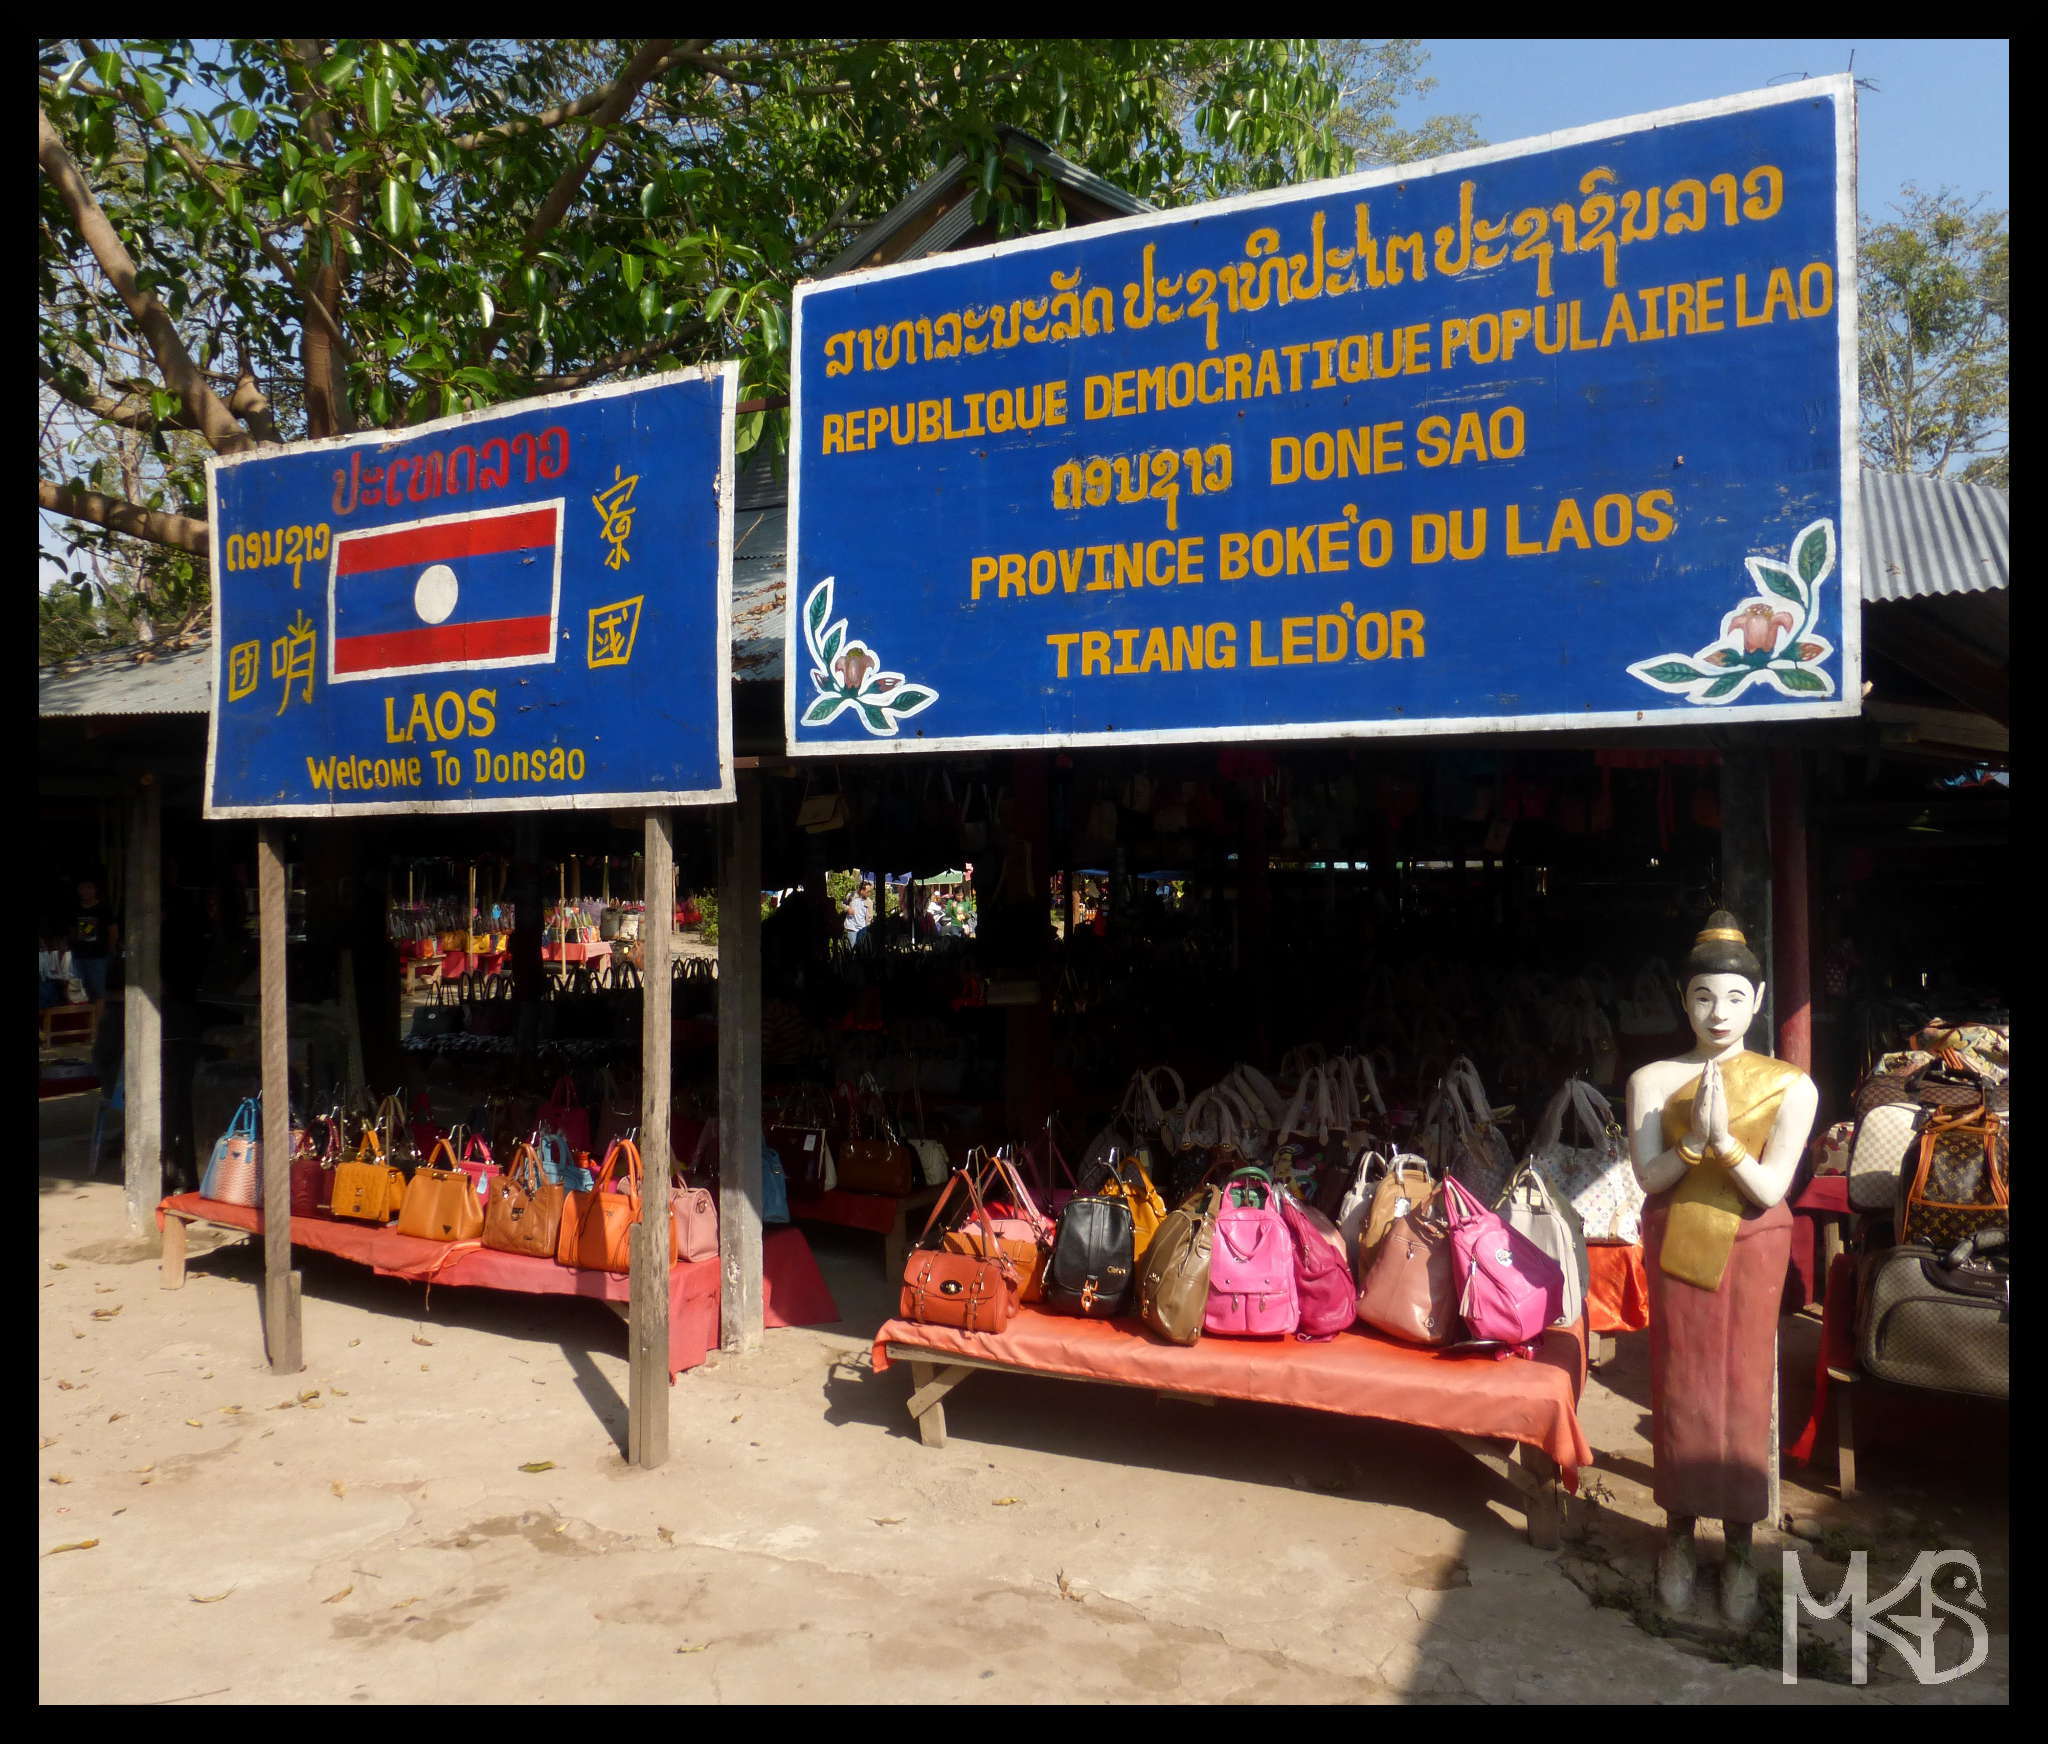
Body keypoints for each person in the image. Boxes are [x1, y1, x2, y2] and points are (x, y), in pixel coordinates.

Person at [1625, 911, 1817, 1627]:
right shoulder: (1652, 1079)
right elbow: (1649, 1177)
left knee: (1742, 1387)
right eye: (1705, 996)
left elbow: (1769, 1188)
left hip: (1752, 1237)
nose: (1719, 1013)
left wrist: (1724, 1146)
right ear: (1684, 999)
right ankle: (1677, 1533)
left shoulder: (1789, 1086)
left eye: (1736, 998)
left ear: (1759, 1002)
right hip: (1679, 1232)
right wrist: (1696, 1149)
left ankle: (1739, 1546)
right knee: (1680, 1381)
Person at [70, 878, 117, 1016]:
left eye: (89, 887)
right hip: (78, 956)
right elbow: (71, 931)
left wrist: (111, 949)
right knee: (78, 991)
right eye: (82, 888)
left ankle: (98, 1025)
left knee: (98, 991)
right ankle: (83, 1024)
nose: (86, 891)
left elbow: (113, 931)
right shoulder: (75, 909)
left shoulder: (104, 909)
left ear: (95, 890)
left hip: (98, 956)